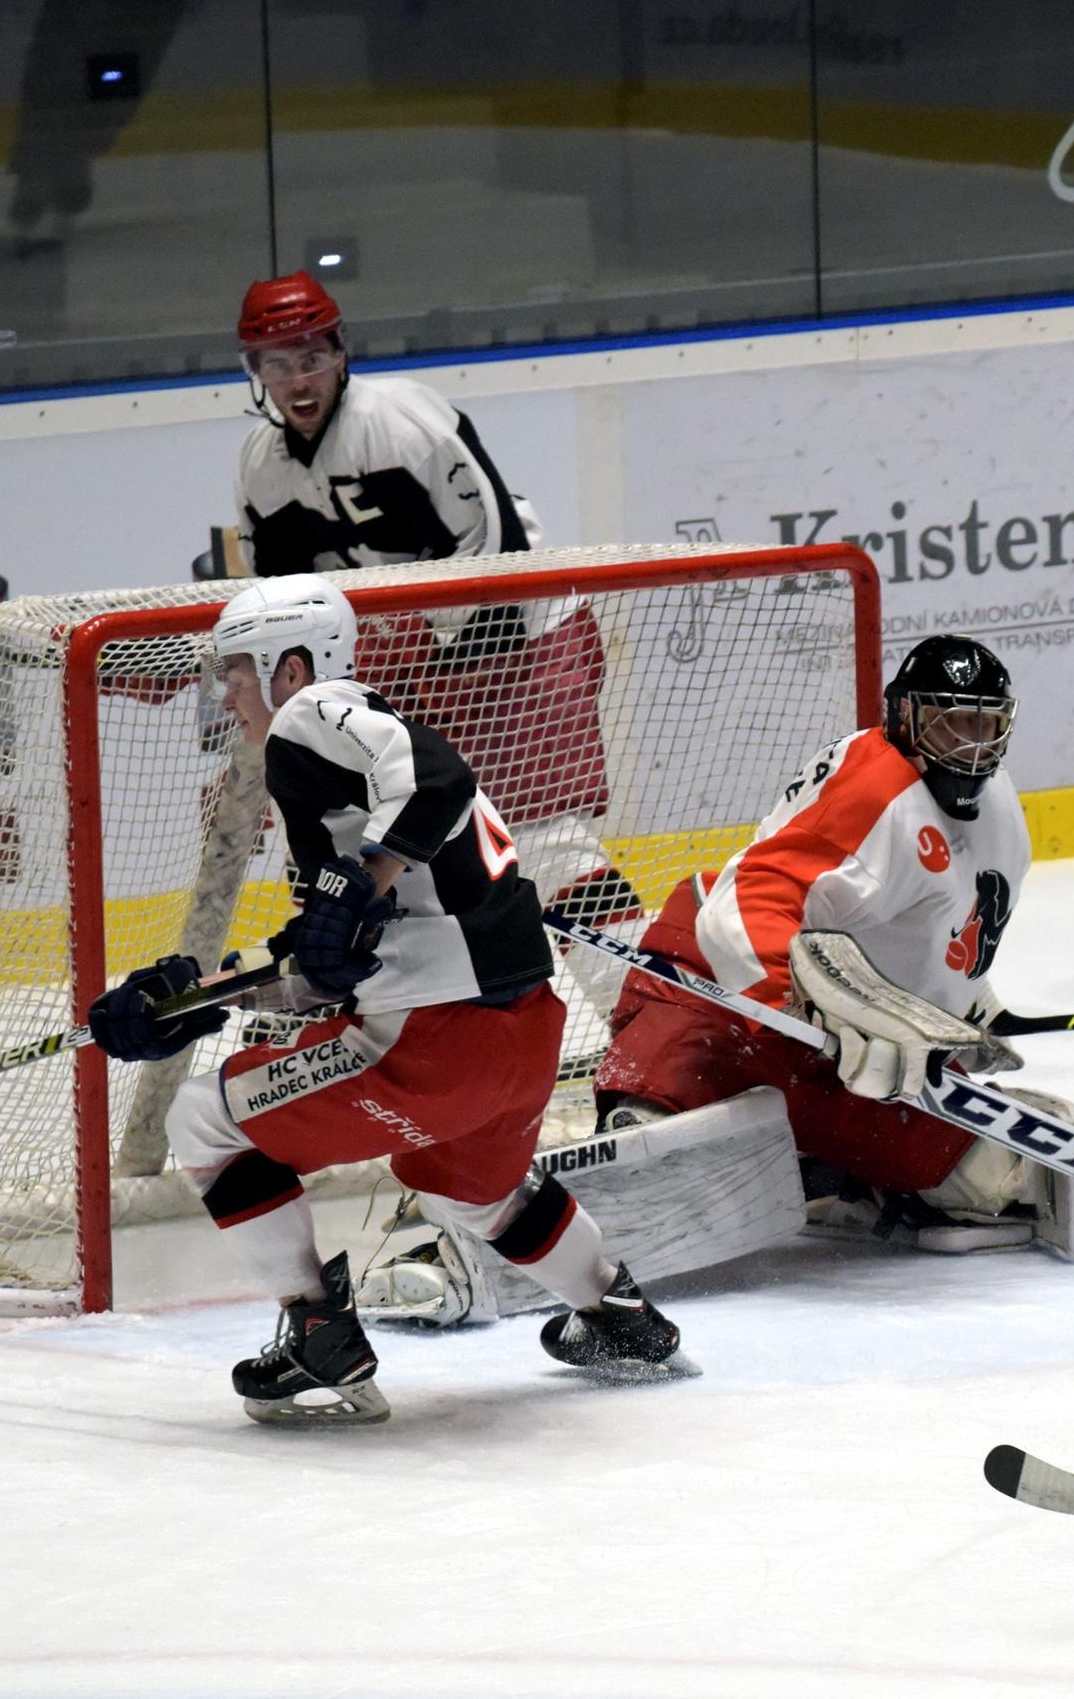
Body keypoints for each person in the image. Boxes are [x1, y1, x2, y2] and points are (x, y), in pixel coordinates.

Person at [86, 575, 678, 1424]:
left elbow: (434, 778)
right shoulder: (350, 782)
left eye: (238, 672)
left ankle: (316, 1330)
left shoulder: (312, 716)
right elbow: (336, 960)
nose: (227, 694)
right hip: (521, 1045)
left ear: (290, 667)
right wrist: (195, 999)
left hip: (432, 1048)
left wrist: (362, 881)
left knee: (202, 1121)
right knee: (469, 1189)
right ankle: (618, 1314)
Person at [228, 270, 647, 1047]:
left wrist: (451, 681)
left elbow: (498, 547)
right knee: (363, 841)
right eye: (275, 364)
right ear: (253, 373)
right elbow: (286, 605)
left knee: (540, 836)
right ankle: (363, 1021)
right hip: (409, 653)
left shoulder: (402, 422)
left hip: (519, 634)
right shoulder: (261, 465)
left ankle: (650, 1019)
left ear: (341, 351)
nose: (297, 380)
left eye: (310, 356)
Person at [588, 633, 1074, 1254]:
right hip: (715, 989)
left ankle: (832, 1170)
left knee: (986, 1182)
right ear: (904, 716)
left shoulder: (1000, 807)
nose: (973, 744)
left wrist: (960, 1011)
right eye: (951, 724)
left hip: (837, 1033)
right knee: (656, 1144)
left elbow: (947, 923)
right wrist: (805, 1009)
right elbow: (746, 902)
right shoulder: (876, 789)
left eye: (986, 725)